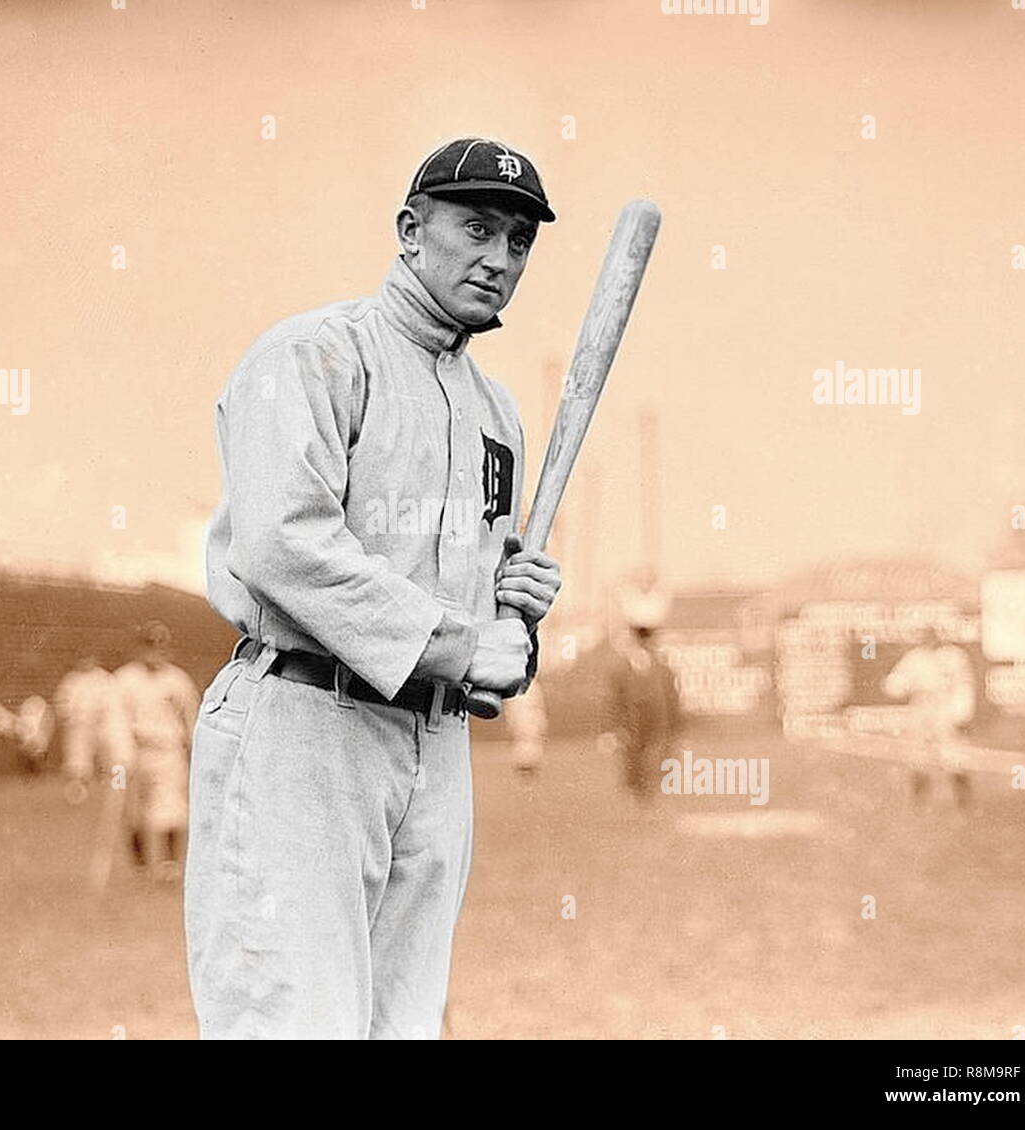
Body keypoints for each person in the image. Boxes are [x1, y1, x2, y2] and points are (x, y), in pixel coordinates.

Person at [186, 138, 563, 1039]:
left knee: (406, 1025)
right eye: (476, 227)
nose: (498, 259)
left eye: (517, 241)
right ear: (409, 230)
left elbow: (479, 607)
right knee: (293, 1021)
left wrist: (517, 608)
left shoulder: (497, 411)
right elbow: (284, 543)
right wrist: (463, 642)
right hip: (303, 722)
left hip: (435, 745)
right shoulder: (313, 356)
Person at [115, 622, 199, 882]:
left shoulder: (178, 680)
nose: (155, 651)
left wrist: (192, 749)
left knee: (173, 807)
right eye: (150, 645)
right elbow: (115, 722)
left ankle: (169, 865)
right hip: (131, 753)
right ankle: (140, 865)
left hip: (169, 752)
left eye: (161, 645)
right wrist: (121, 754)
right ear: (140, 648)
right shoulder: (124, 679)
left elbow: (191, 719)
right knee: (130, 808)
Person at [882, 626, 975, 807]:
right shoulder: (915, 657)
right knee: (918, 751)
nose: (930, 639)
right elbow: (898, 682)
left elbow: (964, 685)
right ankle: (920, 798)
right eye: (926, 636)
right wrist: (895, 684)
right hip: (922, 705)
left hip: (945, 706)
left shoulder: (954, 656)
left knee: (952, 752)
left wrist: (961, 711)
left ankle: (962, 797)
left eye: (933, 635)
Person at [604, 624, 682, 798]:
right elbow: (615, 698)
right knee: (633, 758)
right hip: (633, 722)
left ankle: (648, 793)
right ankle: (638, 792)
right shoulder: (624, 666)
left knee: (654, 758)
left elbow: (670, 696)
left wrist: (675, 724)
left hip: (656, 720)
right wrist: (614, 726)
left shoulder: (661, 665)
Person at [54, 656, 118, 788]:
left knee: (113, 753)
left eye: (88, 659)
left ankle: (117, 783)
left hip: (103, 724)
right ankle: (78, 785)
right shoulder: (71, 680)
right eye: (82, 659)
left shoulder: (104, 678)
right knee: (78, 756)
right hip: (80, 726)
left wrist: (102, 716)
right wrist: (68, 716)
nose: (85, 662)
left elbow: (112, 701)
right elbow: (63, 702)